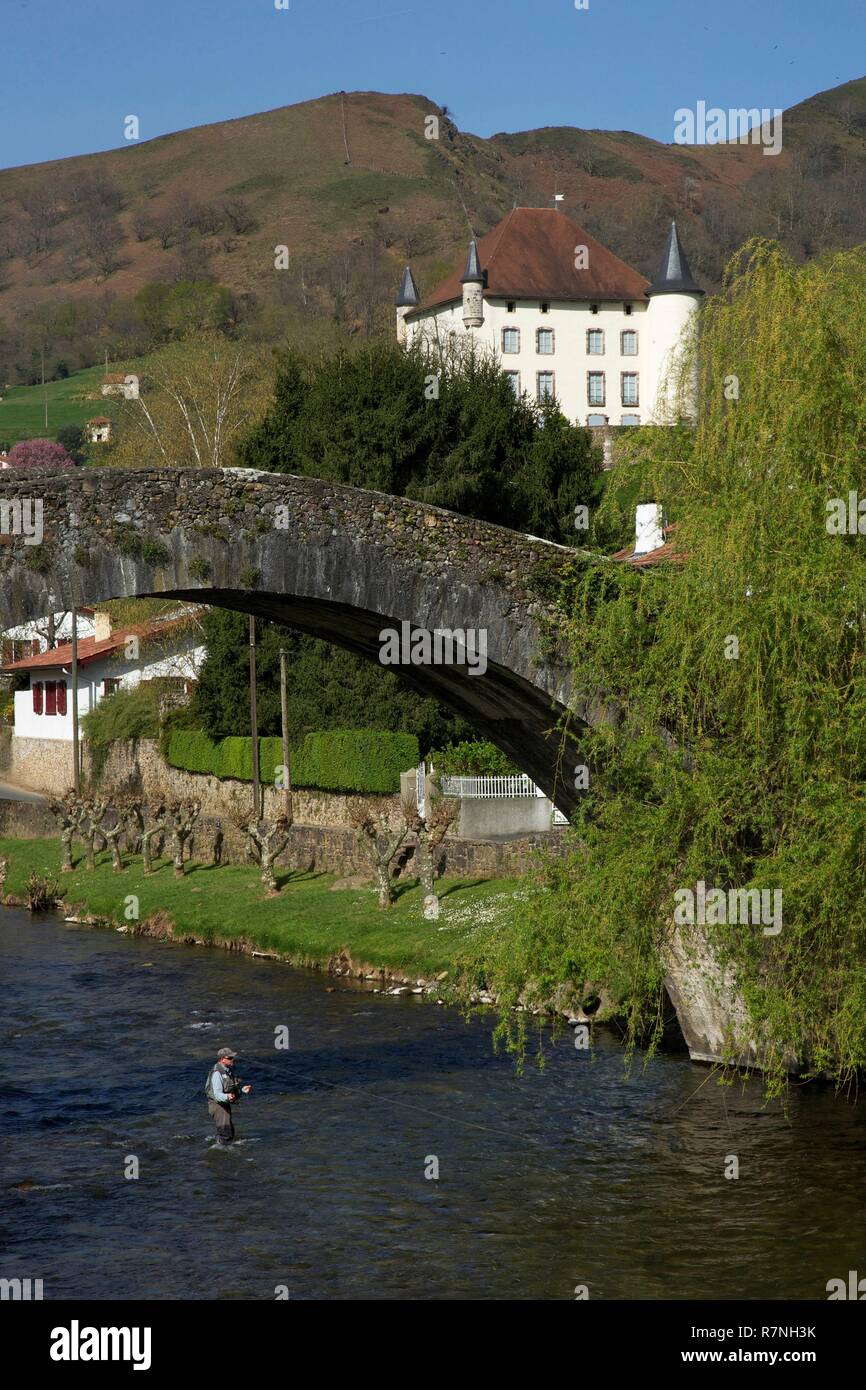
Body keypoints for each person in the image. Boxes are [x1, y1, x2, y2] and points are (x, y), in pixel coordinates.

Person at [205, 1046, 252, 1145]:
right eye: (229, 1058)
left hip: (224, 1105)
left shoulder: (227, 1071)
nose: (232, 1059)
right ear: (222, 1059)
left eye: (232, 1057)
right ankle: (221, 1153)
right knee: (226, 1133)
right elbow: (217, 1095)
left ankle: (223, 1148)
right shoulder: (217, 1073)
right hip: (218, 1106)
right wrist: (227, 1097)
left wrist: (242, 1090)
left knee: (229, 1132)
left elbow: (231, 1089)